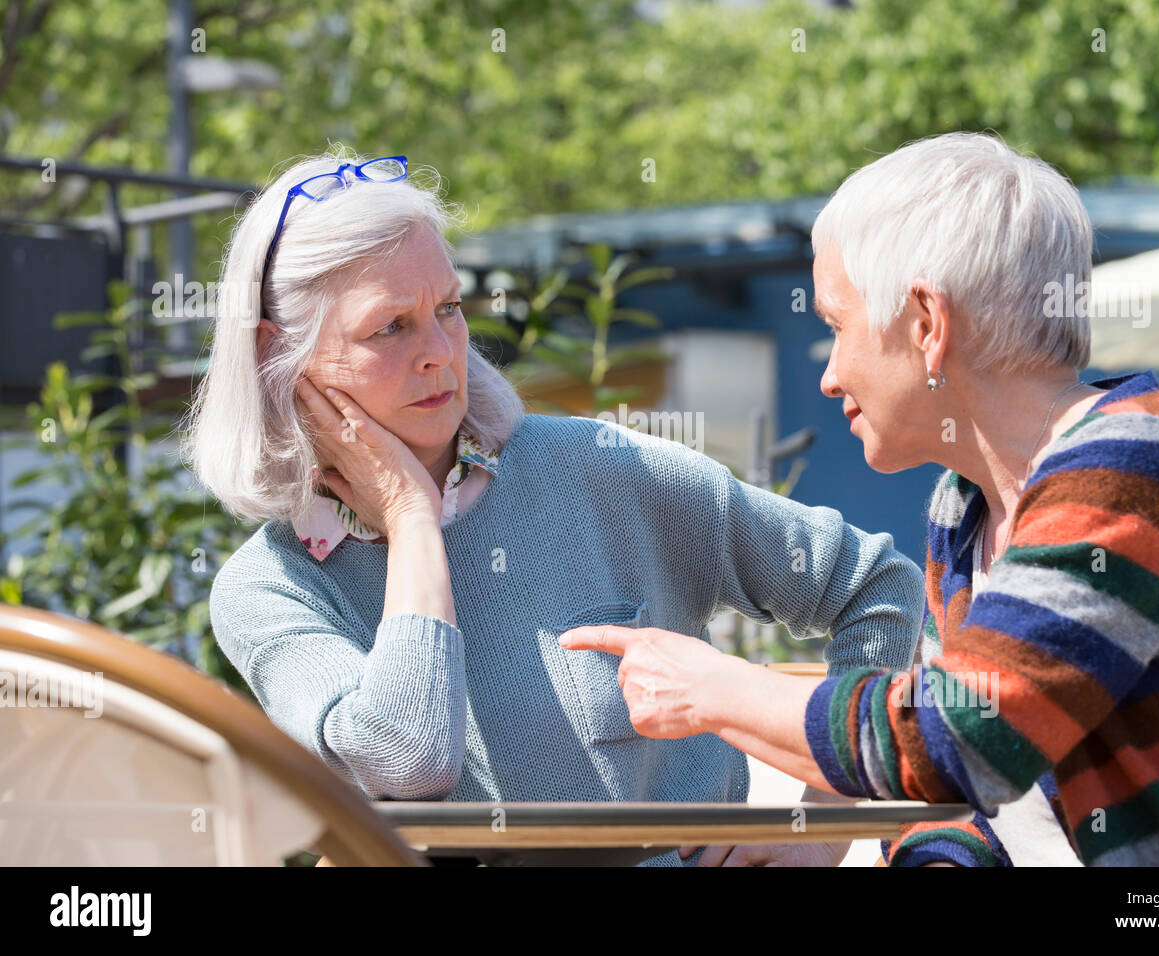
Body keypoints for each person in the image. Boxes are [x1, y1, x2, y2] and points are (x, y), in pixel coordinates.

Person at [563, 131, 1159, 866]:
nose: (828, 375)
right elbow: (967, 797)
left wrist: (712, 687)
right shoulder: (968, 505)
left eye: (837, 325)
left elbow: (962, 740)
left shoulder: (1136, 461)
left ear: (926, 324)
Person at [181, 146, 928, 867]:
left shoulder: (597, 468)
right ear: (284, 355)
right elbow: (407, 761)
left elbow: (874, 585)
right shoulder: (269, 590)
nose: (440, 350)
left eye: (447, 308)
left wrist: (824, 822)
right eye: (391, 327)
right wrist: (412, 518)